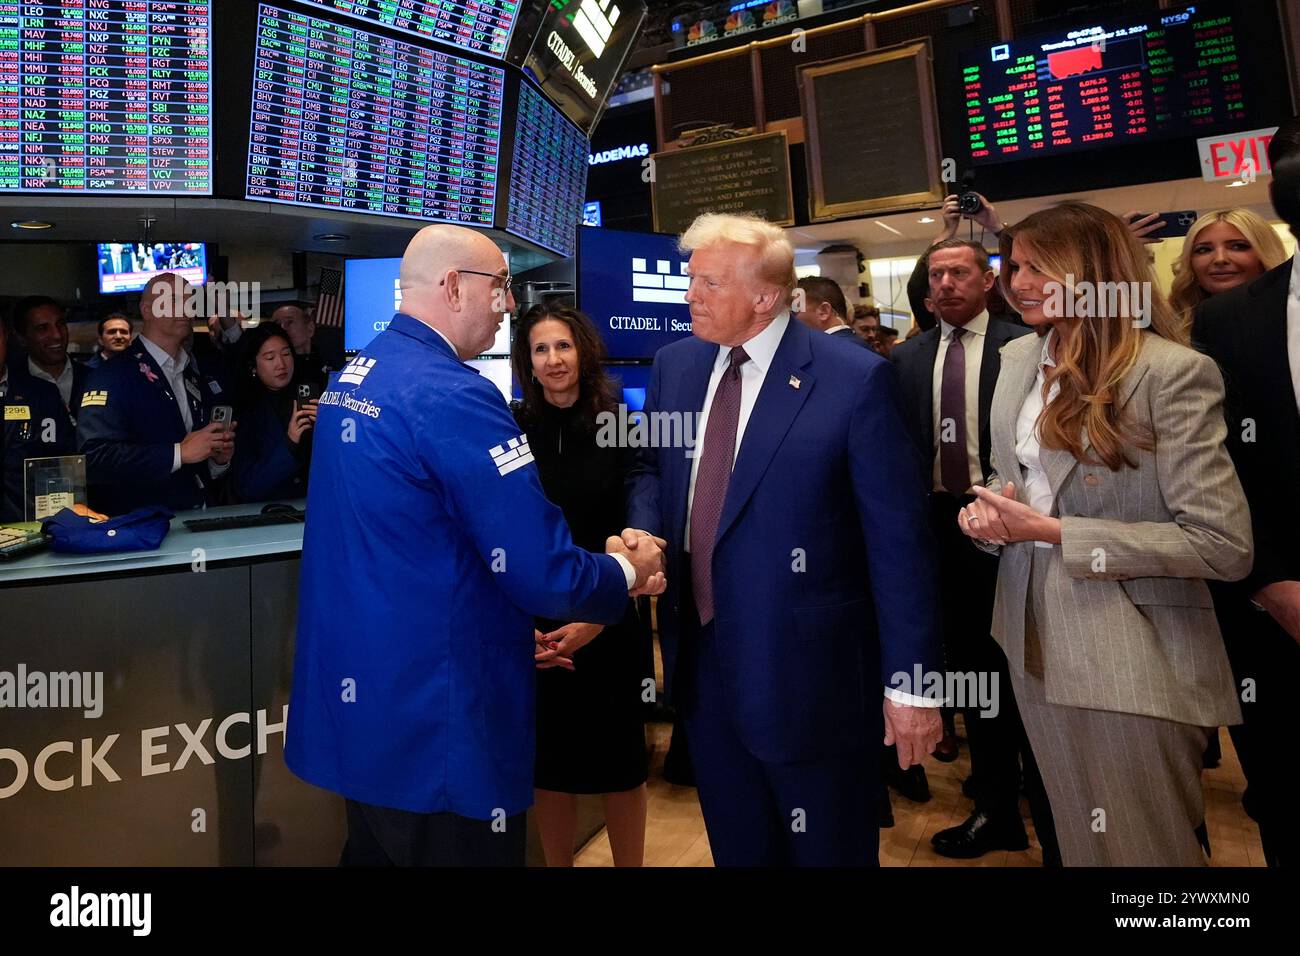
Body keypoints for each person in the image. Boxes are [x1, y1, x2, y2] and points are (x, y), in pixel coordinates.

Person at [284, 224, 666, 868]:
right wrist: (629, 570)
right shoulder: (456, 395)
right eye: (503, 288)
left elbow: (424, 546)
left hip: (372, 715)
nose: (510, 305)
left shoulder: (357, 378)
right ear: (456, 287)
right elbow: (539, 568)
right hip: (439, 728)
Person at [623, 213, 943, 867]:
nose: (690, 296)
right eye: (692, 281)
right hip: (704, 671)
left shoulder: (853, 379)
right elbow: (649, 466)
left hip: (813, 683)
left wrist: (912, 686)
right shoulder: (676, 365)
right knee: (741, 849)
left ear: (766, 297)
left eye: (708, 283)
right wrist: (647, 528)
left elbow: (900, 544)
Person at [960, 202, 1251, 866]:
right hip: (1028, 635)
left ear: (1092, 272)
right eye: (1016, 266)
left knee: (1148, 858)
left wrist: (1060, 533)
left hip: (1134, 650)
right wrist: (987, 520)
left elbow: (1222, 545)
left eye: (1039, 267)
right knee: (1081, 847)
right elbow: (1013, 484)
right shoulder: (1017, 358)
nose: (1019, 282)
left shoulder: (1168, 371)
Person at [890, 238, 1058, 862]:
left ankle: (1049, 803)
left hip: (1021, 529)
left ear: (989, 281)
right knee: (973, 670)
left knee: (1027, 671)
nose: (945, 284)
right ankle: (995, 805)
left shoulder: (1025, 346)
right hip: (939, 531)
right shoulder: (904, 360)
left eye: (959, 272)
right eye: (935, 275)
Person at [1192, 128, 1300, 868]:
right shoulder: (1225, 322)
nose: (1221, 260)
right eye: (1206, 247)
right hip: (1270, 601)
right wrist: (1273, 578)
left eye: (1238, 245)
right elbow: (1225, 466)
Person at [509, 304, 649, 867]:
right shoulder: (514, 430)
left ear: (583, 351)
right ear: (528, 362)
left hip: (611, 614)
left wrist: (601, 610)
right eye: (540, 349)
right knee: (551, 767)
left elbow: (642, 517)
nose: (553, 359)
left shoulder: (622, 422)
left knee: (621, 765)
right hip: (540, 628)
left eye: (562, 346)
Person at [77, 273, 236, 515]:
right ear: (147, 310)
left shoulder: (194, 373)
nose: (185, 307)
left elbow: (196, 464)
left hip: (199, 517)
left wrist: (217, 459)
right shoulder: (113, 375)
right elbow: (95, 457)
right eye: (172, 299)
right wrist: (178, 453)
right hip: (143, 524)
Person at [230, 324, 316, 503]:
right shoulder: (245, 413)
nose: (281, 364)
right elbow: (248, 487)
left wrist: (327, 426)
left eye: (286, 354)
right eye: (270, 358)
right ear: (253, 366)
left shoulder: (311, 395)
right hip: (269, 515)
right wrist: (291, 441)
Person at [0, 319, 75, 522]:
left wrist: (67, 514)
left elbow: (64, 461)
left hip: (32, 523)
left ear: (5, 337)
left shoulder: (43, 394)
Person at [1169, 208, 1287, 330]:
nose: (1220, 259)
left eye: (1238, 246)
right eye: (1204, 250)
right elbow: (1146, 325)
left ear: (1265, 254)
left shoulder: (1292, 314)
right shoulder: (1177, 323)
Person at [9, 296, 90, 420]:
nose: (57, 335)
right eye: (42, 329)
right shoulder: (10, 385)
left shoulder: (93, 378)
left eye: (60, 324)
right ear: (22, 338)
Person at [793, 276, 871, 349]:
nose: (789, 316)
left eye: (795, 310)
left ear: (824, 311)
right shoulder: (858, 346)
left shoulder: (826, 351)